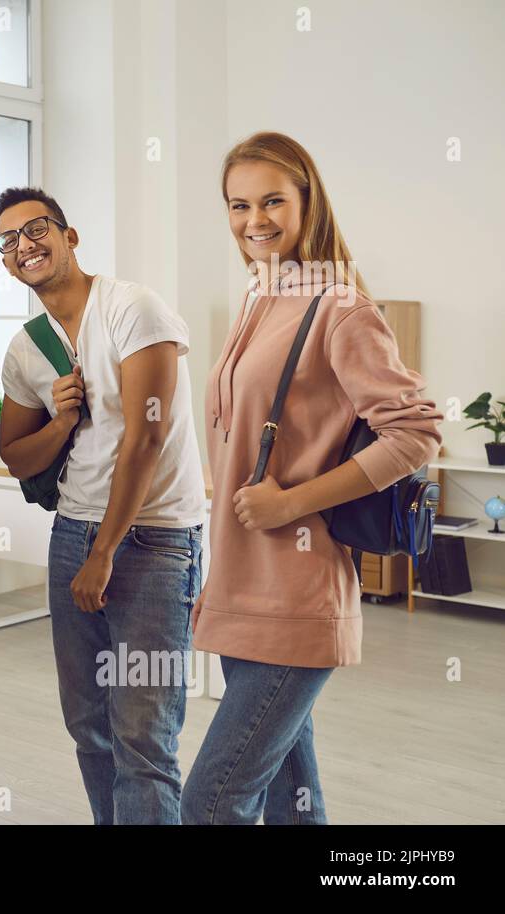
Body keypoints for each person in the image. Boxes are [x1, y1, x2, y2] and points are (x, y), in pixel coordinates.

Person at [182, 132, 443, 824]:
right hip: (241, 587)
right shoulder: (258, 296)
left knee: (210, 801)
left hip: (297, 594)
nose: (254, 220)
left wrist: (290, 502)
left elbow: (414, 434)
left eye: (273, 201)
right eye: (238, 205)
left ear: (308, 202)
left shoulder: (339, 309)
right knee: (290, 801)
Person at [0, 187, 207, 824]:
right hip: (72, 534)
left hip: (152, 538)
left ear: (70, 236)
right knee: (89, 725)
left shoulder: (133, 308)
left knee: (142, 735)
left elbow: (148, 435)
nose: (25, 246)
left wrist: (105, 551)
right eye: (10, 241)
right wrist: (60, 423)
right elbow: (16, 456)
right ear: (5, 263)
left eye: (37, 231)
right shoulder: (28, 348)